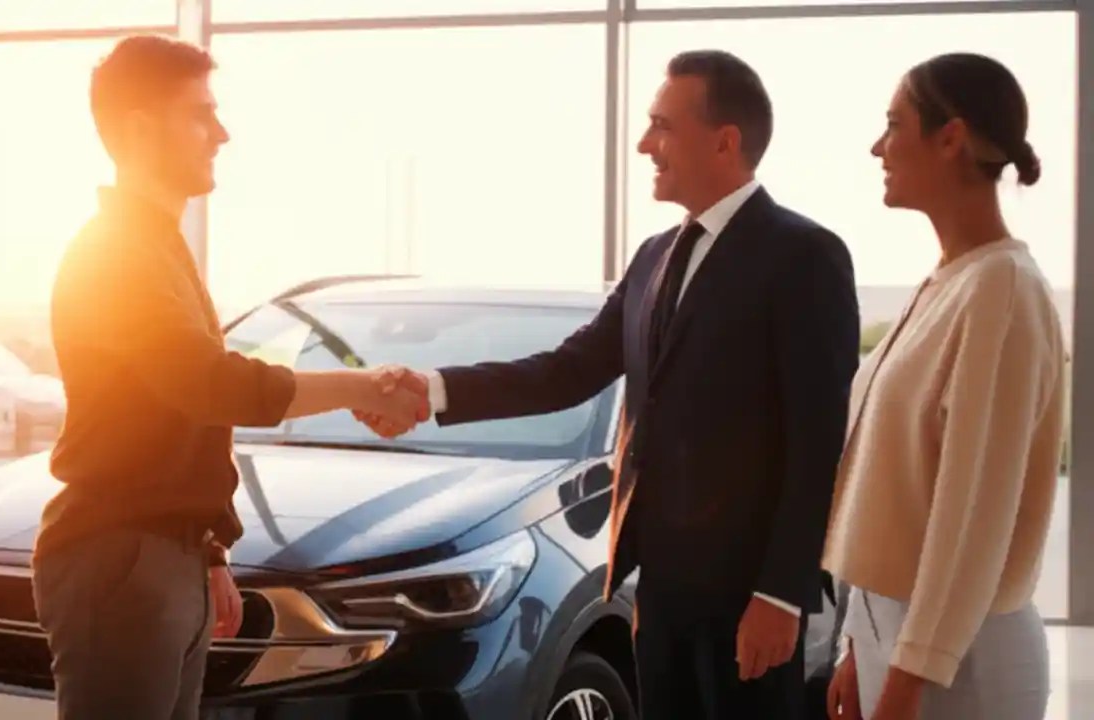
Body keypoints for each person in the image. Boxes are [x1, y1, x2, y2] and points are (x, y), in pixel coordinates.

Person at [358, 49, 860, 719]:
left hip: (749, 602)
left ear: (724, 140)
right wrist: (433, 389)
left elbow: (817, 442)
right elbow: (567, 372)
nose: (644, 143)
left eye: (662, 126)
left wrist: (780, 595)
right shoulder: (654, 256)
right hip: (659, 592)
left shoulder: (805, 256)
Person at [30, 34, 428, 720]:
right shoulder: (116, 253)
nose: (221, 133)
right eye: (200, 114)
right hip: (122, 557)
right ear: (139, 127)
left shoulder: (156, 246)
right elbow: (213, 385)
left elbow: (174, 422)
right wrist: (362, 387)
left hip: (162, 556)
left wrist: (210, 547)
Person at [823, 52, 1065, 720]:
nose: (879, 147)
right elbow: (895, 491)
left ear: (951, 137)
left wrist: (907, 678)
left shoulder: (1002, 290)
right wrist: (856, 645)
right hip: (902, 642)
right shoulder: (947, 282)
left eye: (894, 125)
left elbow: (972, 519)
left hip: (959, 661)